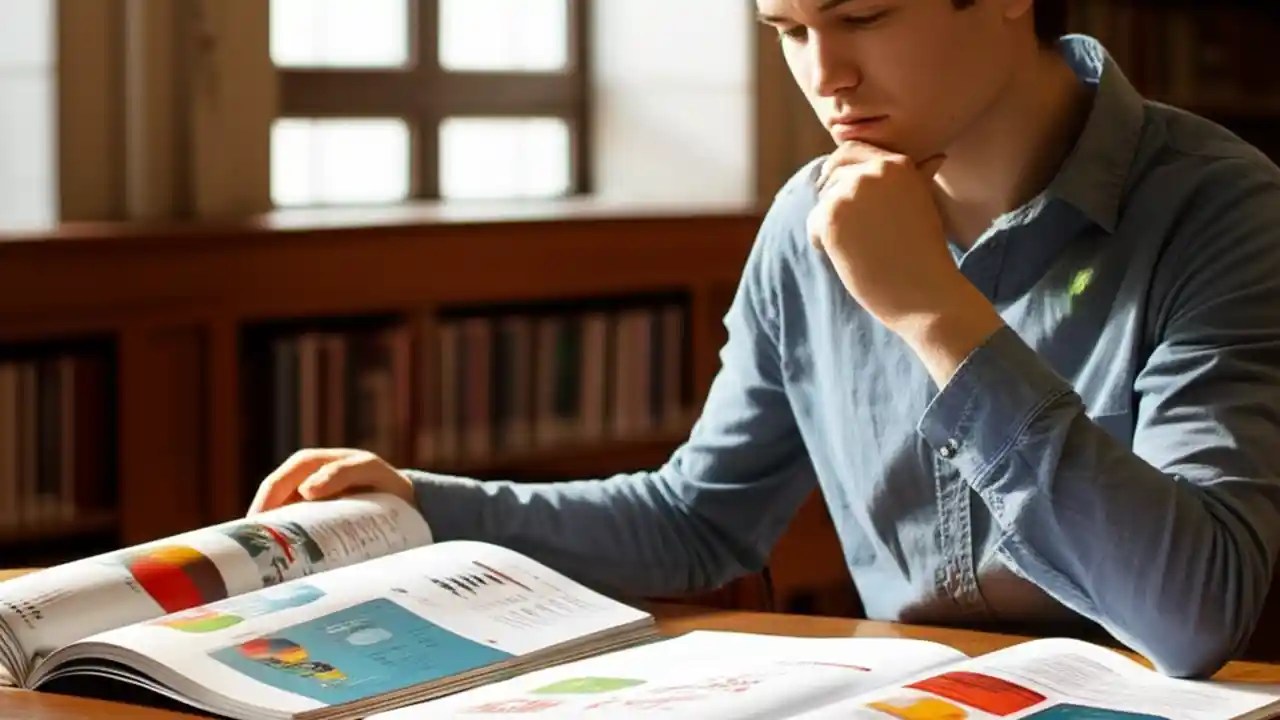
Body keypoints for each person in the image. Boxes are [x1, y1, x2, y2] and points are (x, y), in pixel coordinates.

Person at [249, 0, 1280, 678]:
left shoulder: (1219, 208)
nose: (823, 74)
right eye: (785, 29)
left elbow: (1192, 615)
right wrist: (420, 506)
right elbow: (699, 518)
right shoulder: (806, 219)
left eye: (860, 16)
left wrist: (933, 314)